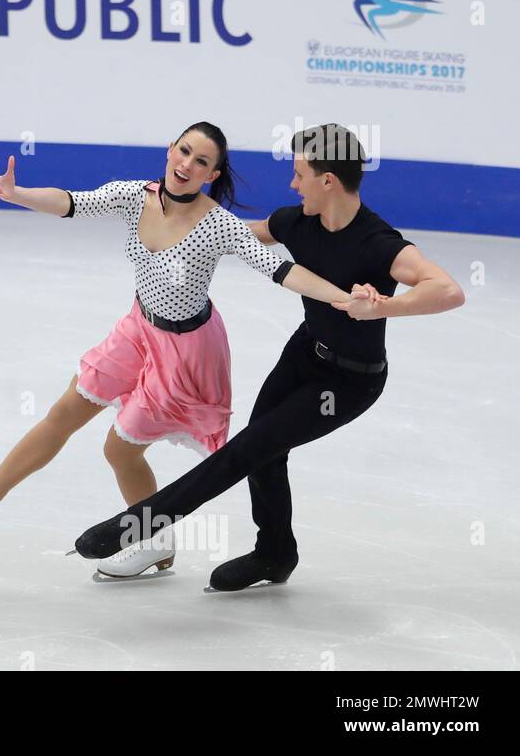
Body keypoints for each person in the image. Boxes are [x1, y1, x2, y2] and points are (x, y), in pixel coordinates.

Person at [0, 122, 355, 575]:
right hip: (138, 329)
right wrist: (17, 193)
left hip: (186, 352)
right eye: (183, 152)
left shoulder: (218, 225)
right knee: (64, 411)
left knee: (119, 450)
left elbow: (280, 270)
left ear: (212, 175)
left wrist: (341, 297)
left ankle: (154, 540)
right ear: (169, 150)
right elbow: (72, 202)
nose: (187, 165)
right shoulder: (132, 195)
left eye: (201, 162)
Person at [72, 123, 465, 590]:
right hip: (303, 354)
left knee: (249, 449)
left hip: (348, 383)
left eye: (300, 174)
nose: (292, 184)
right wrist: (174, 222)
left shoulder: (378, 243)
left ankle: (137, 525)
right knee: (264, 454)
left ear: (327, 181)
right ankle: (275, 554)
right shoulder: (295, 221)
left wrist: (383, 306)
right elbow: (233, 234)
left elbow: (449, 291)